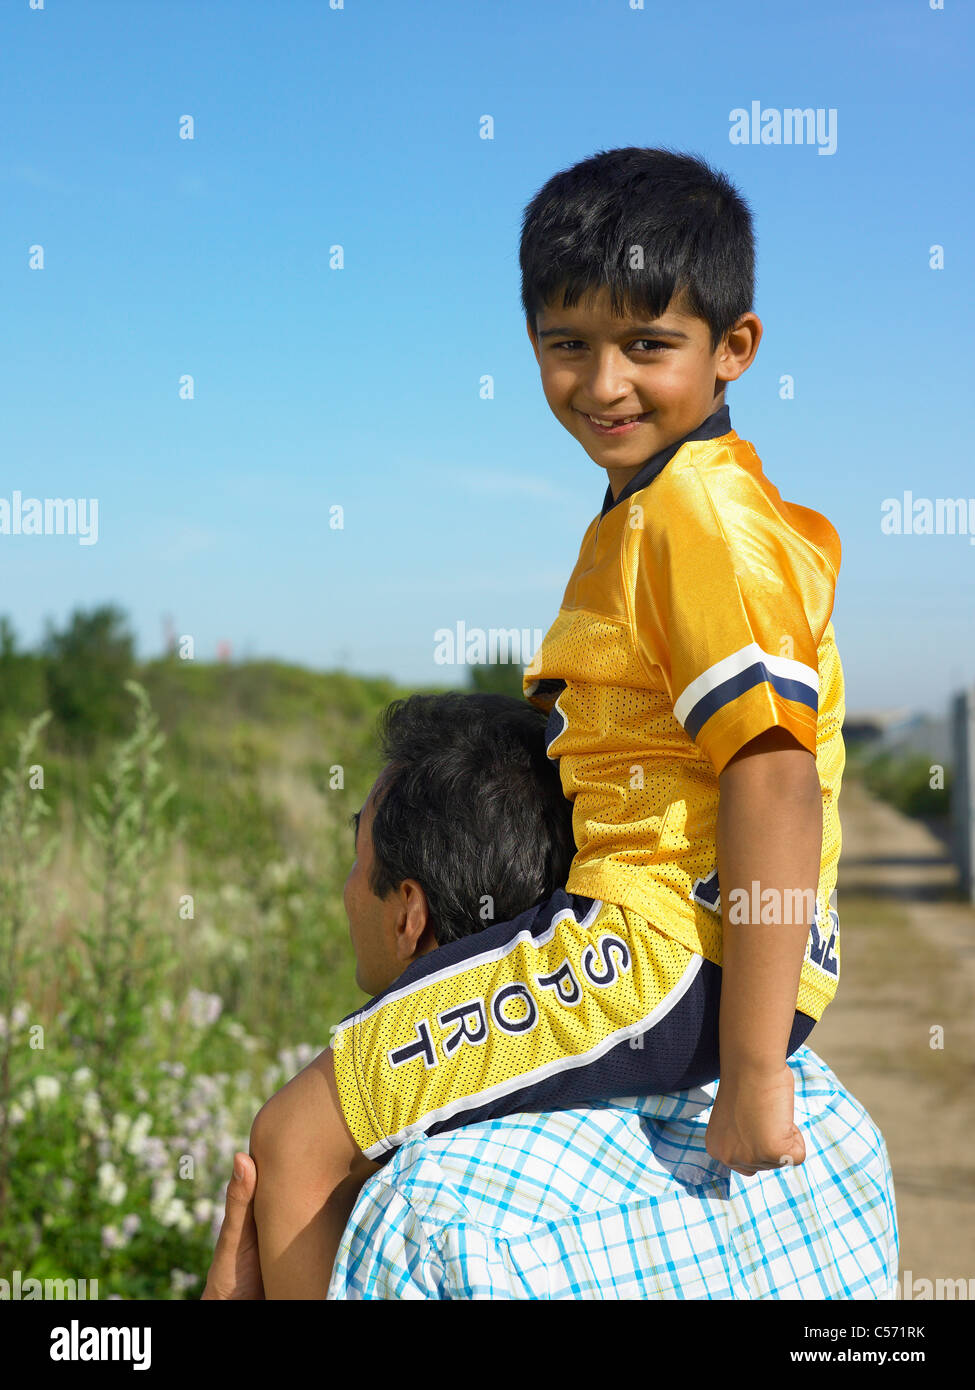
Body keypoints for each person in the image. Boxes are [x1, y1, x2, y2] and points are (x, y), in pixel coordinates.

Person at [248, 147, 846, 1298]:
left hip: (666, 946)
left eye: (648, 345)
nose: (603, 382)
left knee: (302, 1132)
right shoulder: (650, 508)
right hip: (692, 941)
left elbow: (772, 774)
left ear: (736, 349)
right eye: (567, 344)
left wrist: (755, 1071)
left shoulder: (696, 519)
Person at [203, 694, 896, 1300]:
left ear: (408, 915)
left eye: (357, 856)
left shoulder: (426, 1222)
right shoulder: (829, 1118)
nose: (347, 884)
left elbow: (298, 1140)